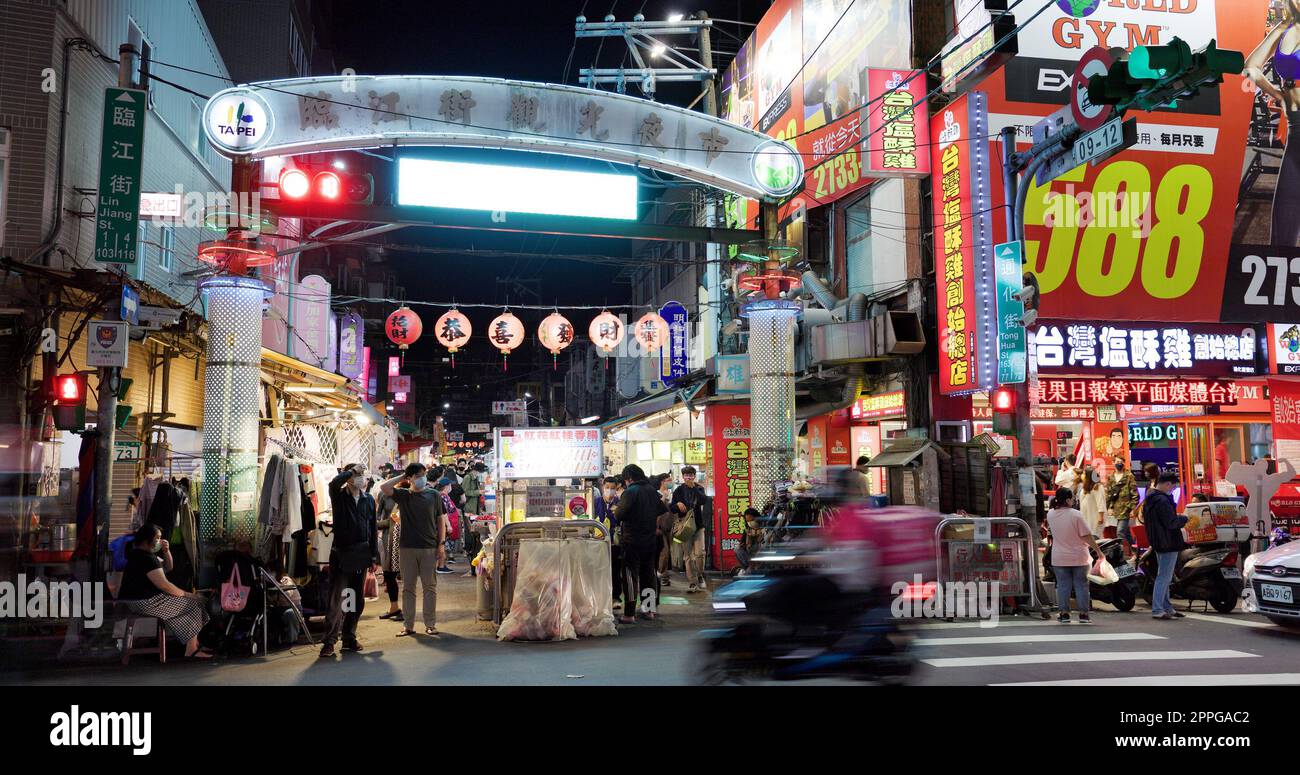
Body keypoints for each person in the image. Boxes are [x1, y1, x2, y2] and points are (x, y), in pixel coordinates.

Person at [118, 523, 213, 659]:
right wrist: (189, 595)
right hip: (145, 602)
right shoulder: (147, 558)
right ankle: (191, 650)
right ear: (147, 540)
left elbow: (168, 567)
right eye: (157, 538)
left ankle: (195, 644)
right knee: (193, 605)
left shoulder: (139, 555)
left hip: (137, 601)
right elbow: (165, 586)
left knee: (192, 604)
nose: (159, 541)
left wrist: (166, 551)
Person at [320, 463, 378, 658]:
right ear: (349, 477)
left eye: (362, 474)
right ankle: (329, 641)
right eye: (357, 475)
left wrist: (373, 555)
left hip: (361, 554)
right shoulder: (339, 496)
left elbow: (372, 527)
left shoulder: (368, 500)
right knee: (337, 599)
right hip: (341, 553)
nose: (360, 478)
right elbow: (333, 484)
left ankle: (349, 637)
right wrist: (350, 472)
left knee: (355, 598)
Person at [380, 463, 446, 637]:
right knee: (408, 588)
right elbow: (384, 487)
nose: (422, 478)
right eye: (418, 475)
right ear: (410, 478)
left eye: (423, 474)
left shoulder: (434, 495)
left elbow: (440, 520)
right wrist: (404, 476)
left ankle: (430, 624)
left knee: (429, 587)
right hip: (407, 548)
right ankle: (408, 625)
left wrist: (441, 544)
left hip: (429, 548)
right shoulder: (403, 495)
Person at [615, 464, 666, 623]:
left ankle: (629, 614)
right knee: (648, 575)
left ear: (629, 478)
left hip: (632, 541)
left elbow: (619, 514)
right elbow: (662, 510)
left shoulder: (630, 492)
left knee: (630, 576)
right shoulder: (652, 491)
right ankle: (649, 610)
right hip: (650, 540)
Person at [1045, 488, 1105, 624]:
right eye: (1072, 498)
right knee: (1082, 585)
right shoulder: (1076, 515)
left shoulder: (1051, 514)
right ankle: (1083, 615)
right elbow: (1086, 536)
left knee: (1062, 586)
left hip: (1059, 557)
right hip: (1079, 557)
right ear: (1067, 500)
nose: (1073, 500)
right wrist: (1099, 552)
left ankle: (1064, 614)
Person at [1145, 473, 1188, 621]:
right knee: (1164, 576)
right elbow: (1171, 522)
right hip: (1168, 542)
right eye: (1173, 486)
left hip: (1158, 541)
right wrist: (1184, 518)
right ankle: (1158, 609)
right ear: (1168, 484)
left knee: (1164, 575)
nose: (1173, 489)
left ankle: (1167, 607)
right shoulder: (1162, 500)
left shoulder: (1151, 498)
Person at [671, 465, 710, 593]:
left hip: (698, 526)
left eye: (691, 475)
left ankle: (700, 575)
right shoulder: (678, 491)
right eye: (687, 475)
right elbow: (671, 508)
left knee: (700, 553)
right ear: (683, 477)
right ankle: (692, 582)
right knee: (687, 556)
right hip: (684, 527)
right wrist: (677, 504)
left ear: (694, 476)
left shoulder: (699, 488)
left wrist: (695, 489)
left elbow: (704, 501)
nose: (689, 477)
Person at [375, 481, 402, 622]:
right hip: (388, 539)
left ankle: (401, 610)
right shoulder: (385, 495)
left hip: (406, 542)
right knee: (389, 574)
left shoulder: (408, 496)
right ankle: (394, 607)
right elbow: (382, 517)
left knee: (405, 577)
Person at [594, 475, 624, 604]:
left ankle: (615, 597)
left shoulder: (620, 504)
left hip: (615, 542)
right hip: (598, 542)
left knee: (615, 570)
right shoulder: (595, 502)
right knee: (599, 570)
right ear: (602, 487)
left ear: (616, 488)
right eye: (607, 487)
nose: (609, 490)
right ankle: (600, 597)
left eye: (612, 488)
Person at [1107, 457, 1138, 559]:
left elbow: (1135, 494)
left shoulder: (1129, 476)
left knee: (1120, 531)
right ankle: (1136, 550)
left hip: (1126, 508)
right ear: (1113, 463)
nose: (1119, 464)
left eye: (1121, 462)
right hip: (1116, 509)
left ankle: (1119, 556)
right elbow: (1110, 494)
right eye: (1117, 462)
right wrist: (1109, 507)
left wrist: (1132, 508)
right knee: (1126, 533)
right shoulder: (1111, 477)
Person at [435, 477, 459, 574]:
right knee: (442, 545)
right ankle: (440, 566)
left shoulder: (444, 496)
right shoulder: (443, 497)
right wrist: (448, 525)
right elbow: (443, 513)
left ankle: (442, 565)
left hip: (444, 524)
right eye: (450, 485)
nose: (451, 487)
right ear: (446, 486)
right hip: (443, 525)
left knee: (443, 545)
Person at [1078, 466, 1110, 538]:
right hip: (1086, 517)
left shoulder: (1098, 487)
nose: (1082, 475)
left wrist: (1100, 517)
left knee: (1095, 538)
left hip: (1095, 518)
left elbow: (1100, 502)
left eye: (1084, 473)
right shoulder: (1084, 488)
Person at [734, 508, 763, 575]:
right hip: (749, 552)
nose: (750, 522)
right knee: (737, 549)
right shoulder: (748, 526)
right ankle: (747, 567)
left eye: (751, 520)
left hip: (759, 554)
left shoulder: (762, 526)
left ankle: (751, 568)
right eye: (748, 520)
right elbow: (745, 536)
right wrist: (742, 543)